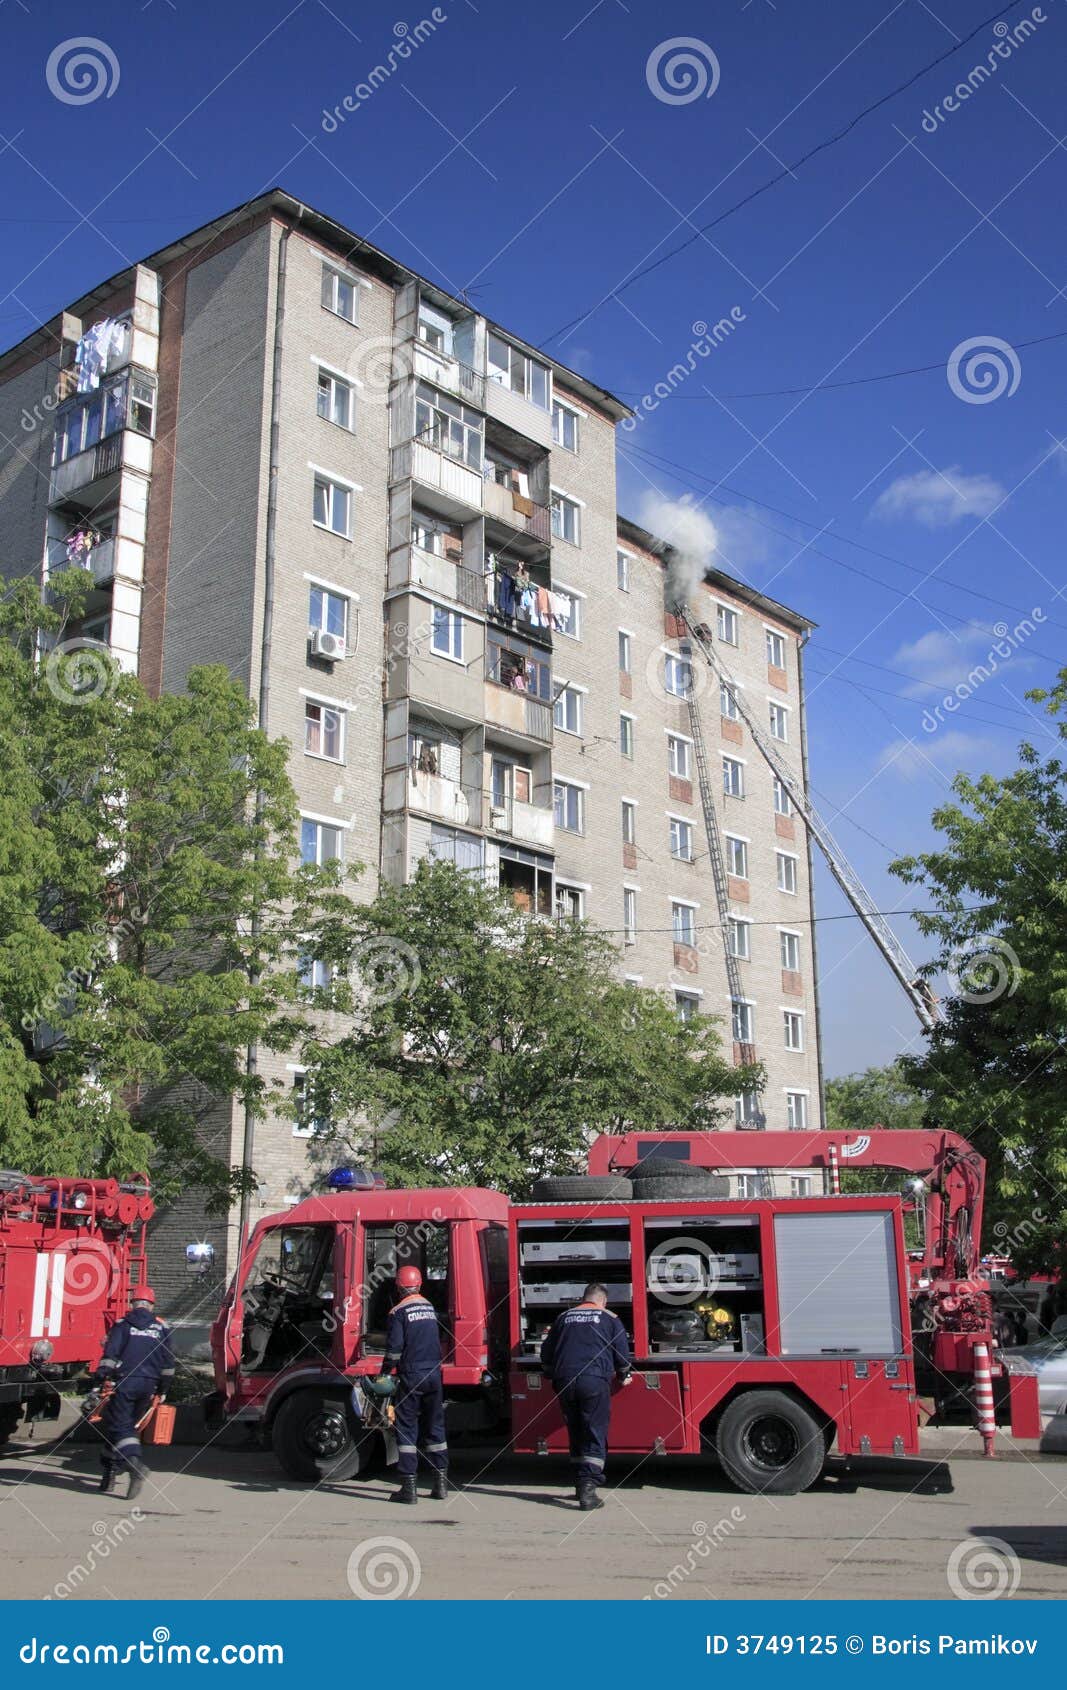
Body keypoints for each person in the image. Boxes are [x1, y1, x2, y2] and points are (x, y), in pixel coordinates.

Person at [539, 1283, 633, 1511]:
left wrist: (550, 1372)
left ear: (584, 1298)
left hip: (564, 1380)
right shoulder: (610, 1318)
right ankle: (588, 1490)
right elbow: (621, 1352)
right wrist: (624, 1374)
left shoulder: (564, 1317)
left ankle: (580, 1483)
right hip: (593, 1380)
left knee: (576, 1430)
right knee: (594, 1430)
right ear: (603, 1301)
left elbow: (546, 1352)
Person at [94, 1287, 174, 1501]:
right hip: (149, 1386)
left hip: (126, 1382)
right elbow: (168, 1363)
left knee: (121, 1426)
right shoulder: (162, 1327)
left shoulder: (123, 1325)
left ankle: (135, 1464)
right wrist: (163, 1389)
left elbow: (110, 1355)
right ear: (151, 1306)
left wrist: (101, 1376)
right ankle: (109, 1474)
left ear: (133, 1303)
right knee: (123, 1428)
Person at [378, 1265, 448, 1504]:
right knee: (435, 1428)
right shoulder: (429, 1308)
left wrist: (384, 1373)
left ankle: (409, 1489)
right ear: (419, 1285)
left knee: (407, 1429)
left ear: (398, 1287)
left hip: (412, 1375)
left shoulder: (398, 1311)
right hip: (434, 1375)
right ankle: (440, 1486)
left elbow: (394, 1350)